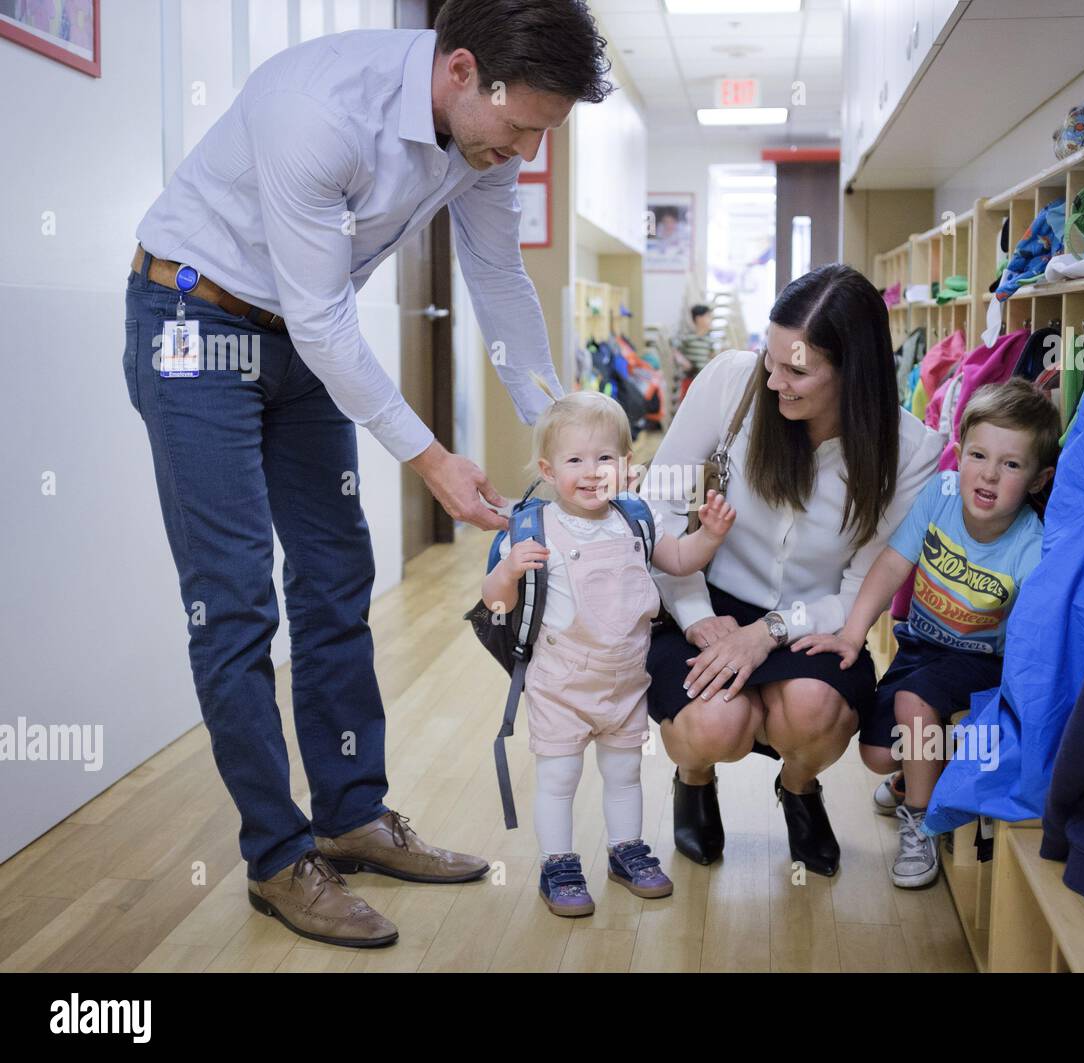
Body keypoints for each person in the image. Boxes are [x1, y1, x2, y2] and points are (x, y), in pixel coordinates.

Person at [121, 0, 612, 948]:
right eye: (520, 128)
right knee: (233, 604)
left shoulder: (484, 143)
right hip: (193, 321)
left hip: (299, 338)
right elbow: (321, 318)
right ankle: (277, 856)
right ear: (462, 71)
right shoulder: (319, 108)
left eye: (546, 135)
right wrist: (429, 456)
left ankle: (352, 815)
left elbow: (501, 281)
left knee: (336, 580)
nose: (527, 153)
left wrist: (563, 435)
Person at [639, 263, 947, 876]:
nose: (775, 381)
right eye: (771, 361)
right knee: (717, 721)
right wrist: (699, 617)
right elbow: (660, 504)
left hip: (815, 620)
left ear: (852, 373)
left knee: (811, 710)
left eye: (798, 370)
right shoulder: (731, 382)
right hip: (701, 596)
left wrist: (769, 631)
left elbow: (862, 589)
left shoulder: (911, 453)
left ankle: (799, 787)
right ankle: (694, 776)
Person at [796, 378, 1058, 888]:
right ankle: (917, 775)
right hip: (921, 645)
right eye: (979, 455)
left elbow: (1034, 634)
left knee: (915, 703)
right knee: (876, 754)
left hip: (984, 662)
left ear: (1037, 479)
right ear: (959, 453)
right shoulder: (940, 495)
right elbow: (892, 567)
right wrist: (852, 634)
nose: (988, 474)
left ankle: (921, 822)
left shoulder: (1032, 544)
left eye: (1011, 465)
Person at [482, 391, 736, 916]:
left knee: (624, 773)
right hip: (559, 682)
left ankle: (627, 852)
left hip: (624, 680)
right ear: (550, 470)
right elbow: (497, 605)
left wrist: (708, 537)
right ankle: (559, 864)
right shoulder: (534, 528)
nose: (592, 471)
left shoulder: (637, 519)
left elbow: (680, 562)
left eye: (605, 458)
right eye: (575, 460)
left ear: (626, 464)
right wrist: (507, 572)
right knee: (559, 778)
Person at [673, 304, 716, 401]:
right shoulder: (688, 338)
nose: (710, 320)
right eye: (708, 317)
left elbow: (712, 356)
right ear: (698, 319)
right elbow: (675, 351)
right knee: (688, 403)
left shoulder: (709, 340)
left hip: (704, 380)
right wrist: (684, 362)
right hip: (690, 378)